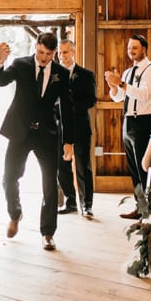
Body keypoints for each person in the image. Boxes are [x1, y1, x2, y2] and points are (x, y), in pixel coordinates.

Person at [0, 32, 75, 251]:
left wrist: (69, 141)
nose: (44, 58)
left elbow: (67, 108)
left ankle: (48, 233)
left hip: (47, 134)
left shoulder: (61, 74)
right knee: (9, 178)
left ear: (54, 53)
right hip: (19, 130)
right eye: (40, 52)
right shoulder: (20, 64)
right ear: (36, 46)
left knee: (49, 184)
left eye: (48, 54)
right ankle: (15, 213)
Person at [104, 34, 151, 219]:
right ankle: (140, 207)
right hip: (128, 121)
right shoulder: (129, 72)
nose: (131, 51)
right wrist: (113, 86)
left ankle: (150, 210)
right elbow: (119, 97)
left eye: (135, 48)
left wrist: (120, 83)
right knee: (133, 168)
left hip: (144, 122)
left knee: (143, 167)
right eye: (129, 48)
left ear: (144, 49)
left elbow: (144, 95)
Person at [56, 39, 97, 218]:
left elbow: (91, 99)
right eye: (60, 52)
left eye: (65, 52)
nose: (62, 56)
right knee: (61, 166)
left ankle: (86, 205)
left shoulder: (86, 75)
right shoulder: (53, 74)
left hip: (80, 126)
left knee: (82, 166)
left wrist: (70, 107)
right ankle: (70, 201)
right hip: (60, 127)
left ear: (73, 52)